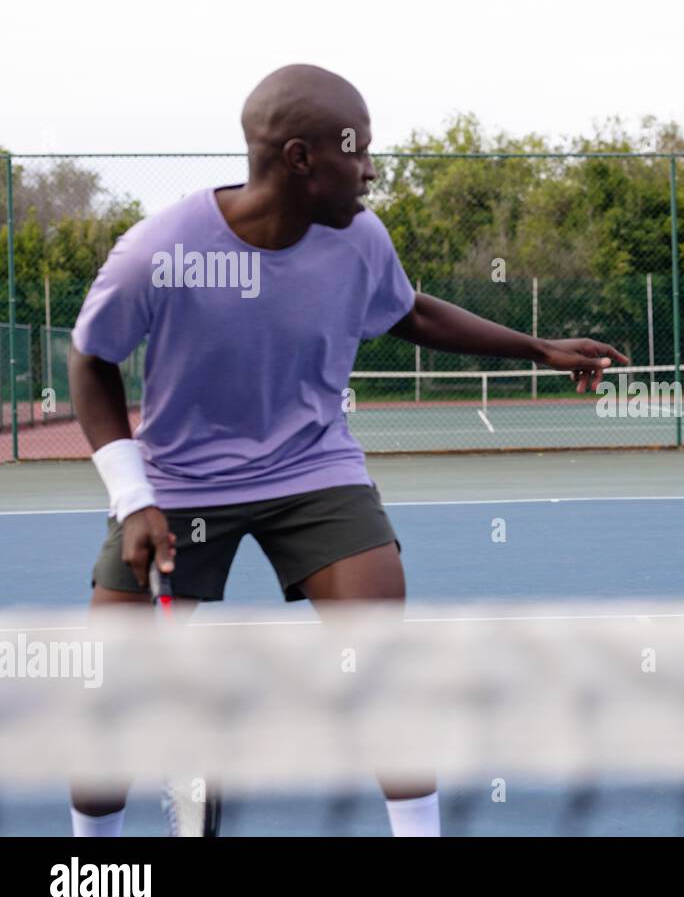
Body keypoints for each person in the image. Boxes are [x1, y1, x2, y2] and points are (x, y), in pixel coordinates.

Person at [67, 64, 627, 836]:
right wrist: (133, 498)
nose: (370, 170)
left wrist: (539, 348)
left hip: (313, 469)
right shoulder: (157, 252)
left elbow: (410, 314)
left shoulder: (358, 239)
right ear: (300, 159)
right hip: (180, 482)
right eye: (357, 151)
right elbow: (91, 358)